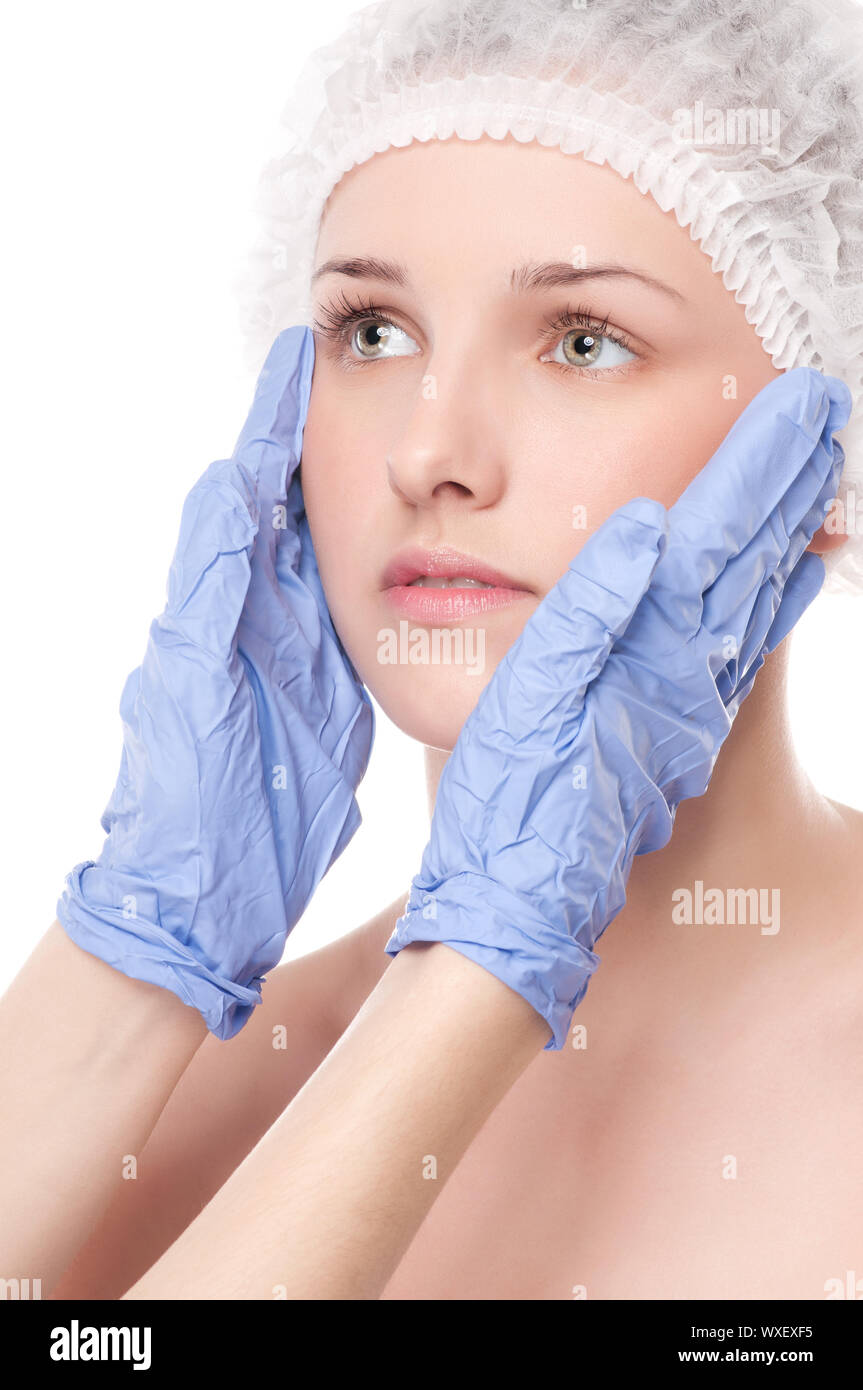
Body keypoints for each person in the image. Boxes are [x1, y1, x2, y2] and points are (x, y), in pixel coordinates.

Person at [3, 0, 862, 1300]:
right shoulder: (183, 1105)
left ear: (831, 447)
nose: (426, 453)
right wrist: (143, 942)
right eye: (374, 333)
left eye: (582, 341)